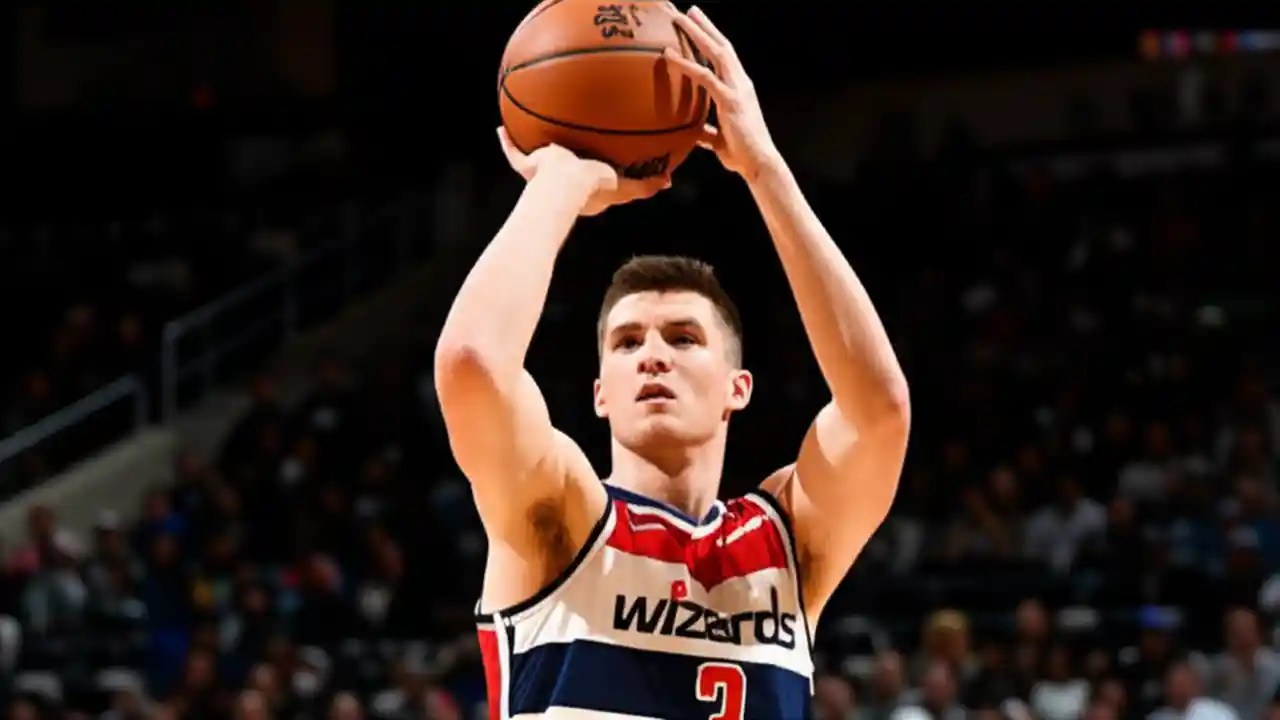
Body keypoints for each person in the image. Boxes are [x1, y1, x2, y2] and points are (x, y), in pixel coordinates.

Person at [434, 6, 910, 718]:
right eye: (627, 343)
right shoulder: (561, 522)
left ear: (737, 387)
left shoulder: (784, 545)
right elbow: (472, 366)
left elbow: (880, 411)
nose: (652, 355)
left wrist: (765, 169)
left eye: (684, 338)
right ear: (599, 393)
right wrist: (561, 182)